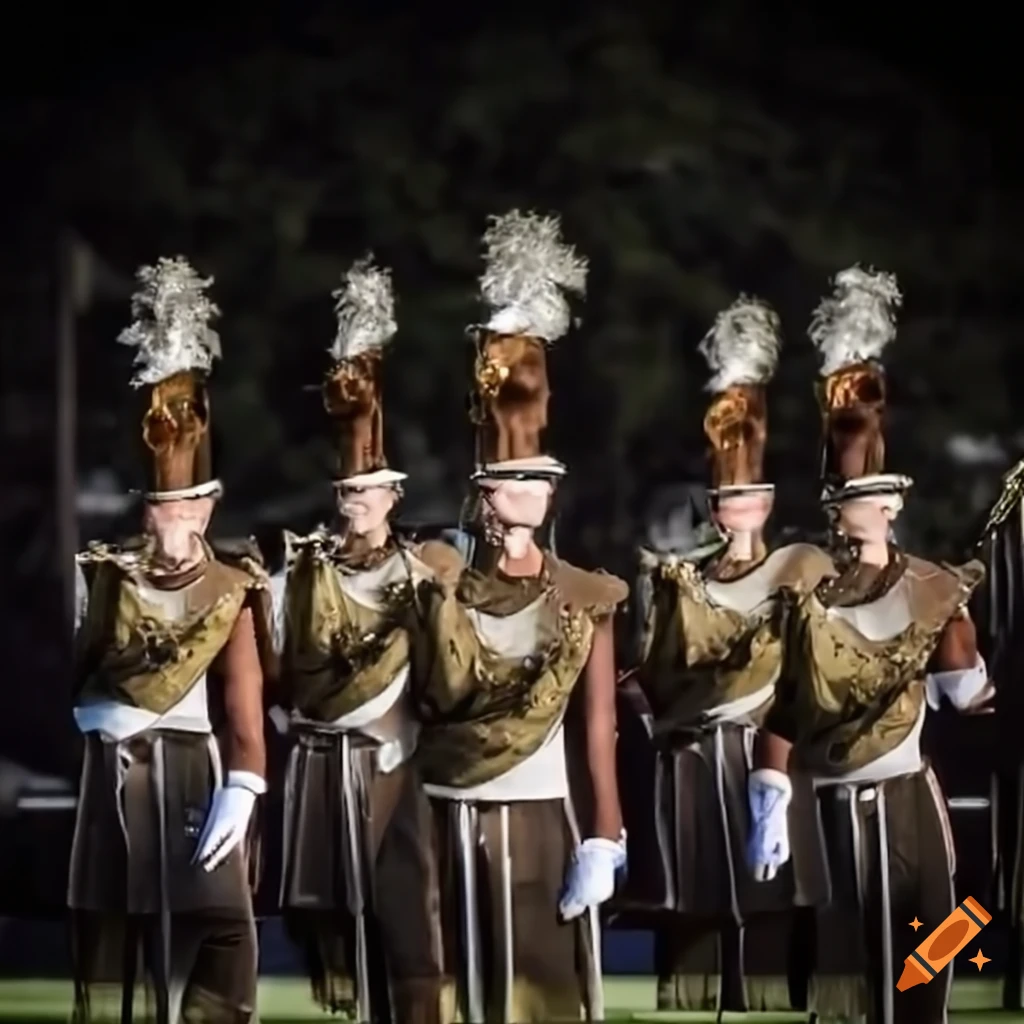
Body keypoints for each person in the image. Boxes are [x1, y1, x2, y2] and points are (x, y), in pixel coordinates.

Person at [747, 267, 993, 1024]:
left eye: (867, 498)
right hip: (827, 799)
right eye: (844, 500)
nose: (856, 512)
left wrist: (974, 668)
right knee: (840, 975)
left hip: (908, 794)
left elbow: (966, 694)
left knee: (935, 942)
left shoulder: (933, 587)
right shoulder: (806, 592)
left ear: (892, 503)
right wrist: (769, 794)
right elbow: (785, 707)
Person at [409, 210, 627, 1023]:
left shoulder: (584, 591)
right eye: (510, 482)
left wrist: (606, 833)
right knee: (443, 985)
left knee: (543, 996)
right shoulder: (439, 579)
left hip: (542, 811)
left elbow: (597, 724)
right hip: (440, 806)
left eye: (538, 482)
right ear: (483, 492)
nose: (526, 497)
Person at [70, 257, 268, 1024]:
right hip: (117, 767)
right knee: (129, 939)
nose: (176, 521)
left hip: (195, 763)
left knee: (223, 926)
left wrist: (243, 789)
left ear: (212, 505)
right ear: (145, 510)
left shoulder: (235, 587)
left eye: (191, 505)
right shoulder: (104, 575)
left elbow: (246, 709)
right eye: (163, 507)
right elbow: (81, 669)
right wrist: (98, 718)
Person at [621, 298, 831, 1012]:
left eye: (743, 497)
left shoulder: (799, 570)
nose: (729, 509)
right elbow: (652, 666)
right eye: (721, 497)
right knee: (698, 898)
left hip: (769, 752)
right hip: (691, 753)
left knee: (772, 901)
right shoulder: (684, 579)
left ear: (766, 502)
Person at [271, 257, 461, 1023]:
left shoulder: (427, 567)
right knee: (339, 927)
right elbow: (283, 662)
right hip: (324, 760)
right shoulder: (303, 571)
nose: (357, 502)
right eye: (347, 491)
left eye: (370, 489)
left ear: (394, 494)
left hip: (403, 761)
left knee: (412, 916)